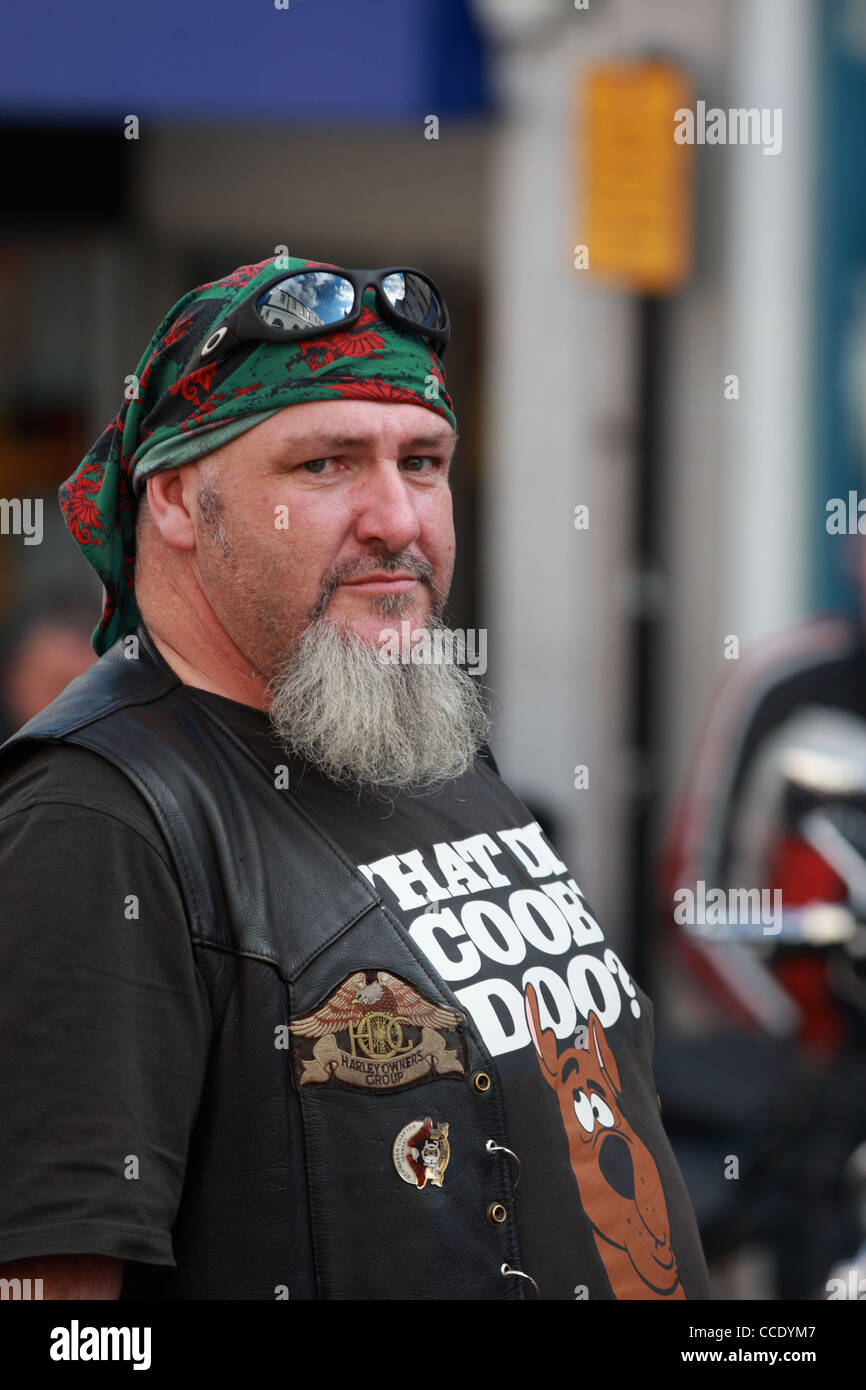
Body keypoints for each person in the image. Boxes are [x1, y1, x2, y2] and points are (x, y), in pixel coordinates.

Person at [0, 255, 710, 1301]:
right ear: (177, 501)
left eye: (421, 462)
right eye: (325, 465)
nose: (396, 520)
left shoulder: (420, 737)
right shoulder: (98, 815)